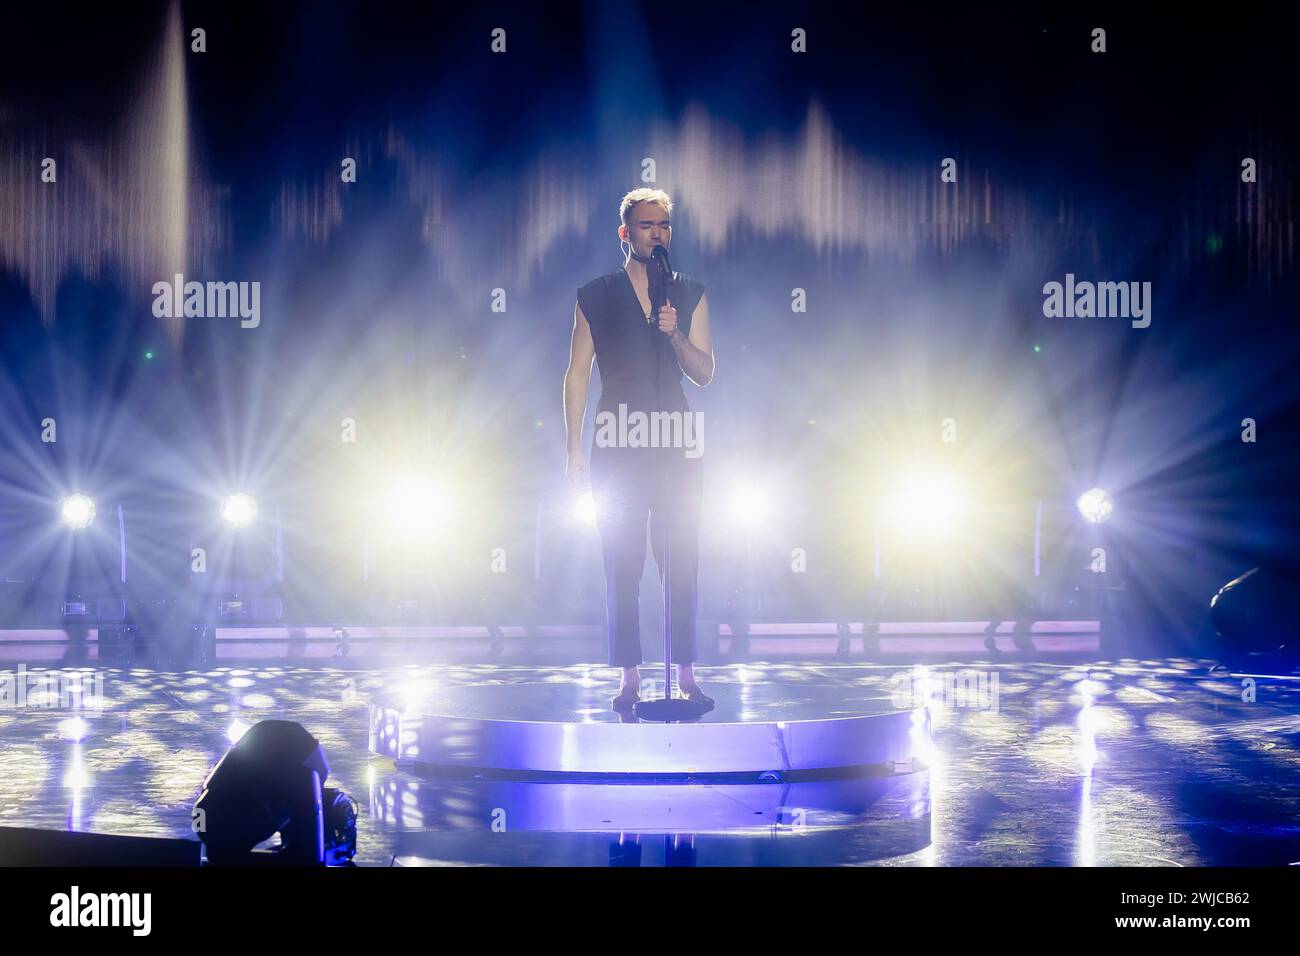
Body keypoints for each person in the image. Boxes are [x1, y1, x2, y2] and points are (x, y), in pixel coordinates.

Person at [563, 187, 715, 710]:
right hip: (618, 438)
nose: (658, 234)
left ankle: (687, 674)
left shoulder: (689, 292)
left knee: (681, 558)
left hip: (676, 441)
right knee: (622, 561)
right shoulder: (596, 294)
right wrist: (573, 448)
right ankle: (629, 677)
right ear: (626, 233)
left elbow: (704, 373)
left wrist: (675, 337)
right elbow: (577, 374)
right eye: (648, 226)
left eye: (665, 226)